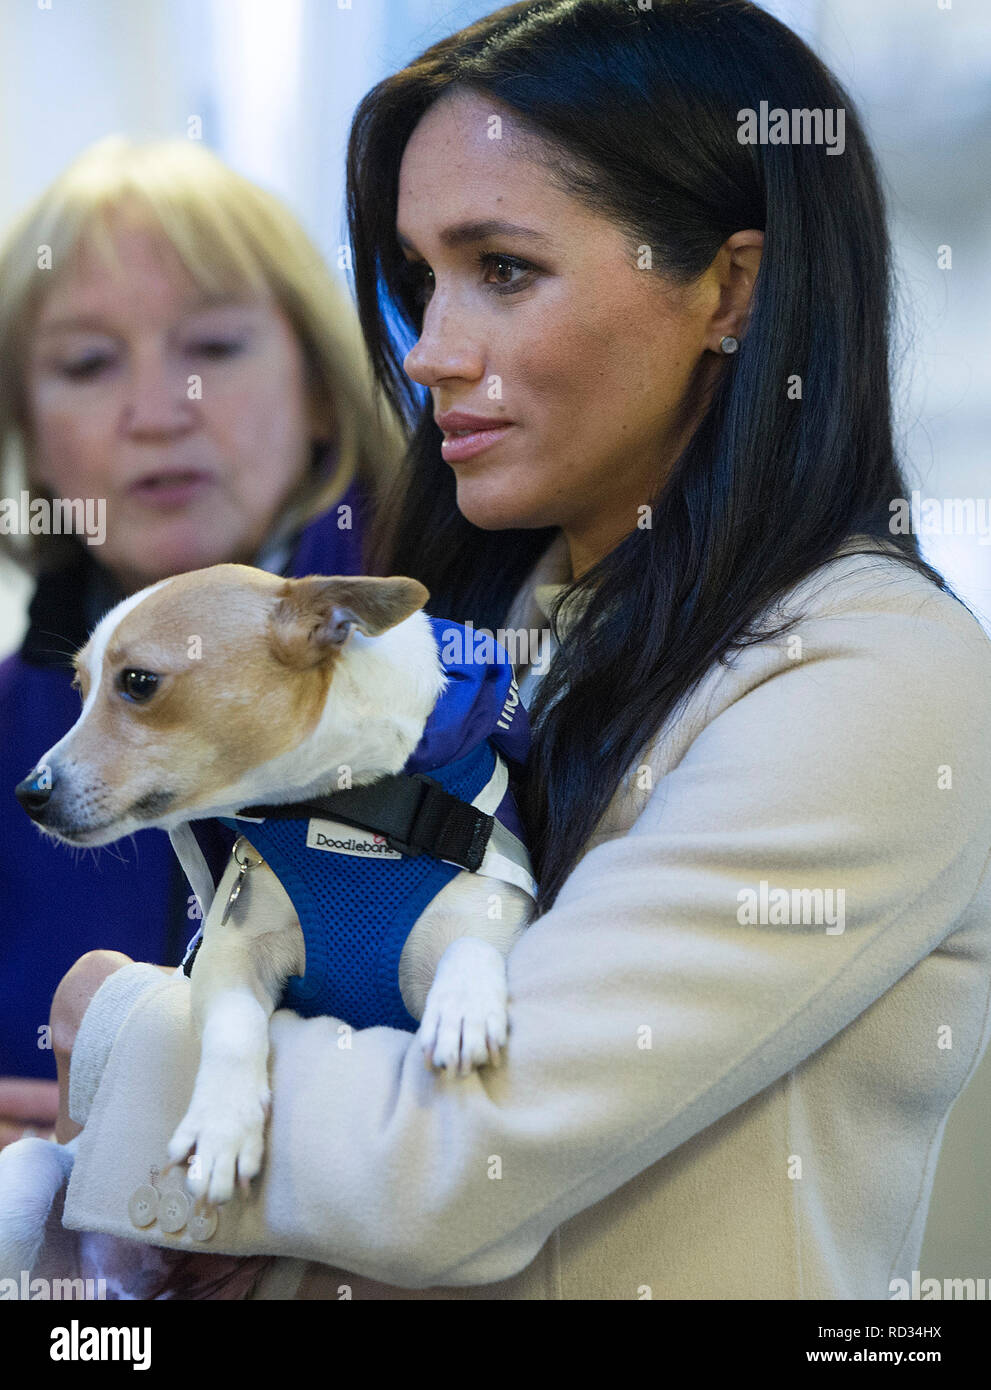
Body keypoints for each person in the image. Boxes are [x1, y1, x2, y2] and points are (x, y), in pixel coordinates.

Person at [35, 0, 991, 1298]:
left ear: (730, 287)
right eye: (420, 276)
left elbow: (451, 1158)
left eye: (501, 269)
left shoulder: (876, 681)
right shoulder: (459, 645)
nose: (429, 350)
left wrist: (126, 1036)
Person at [0, 136, 406, 1143]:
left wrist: (117, 1131)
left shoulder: (469, 691)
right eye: (88, 364)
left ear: (320, 386)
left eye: (214, 348)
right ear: (29, 431)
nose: (155, 411)